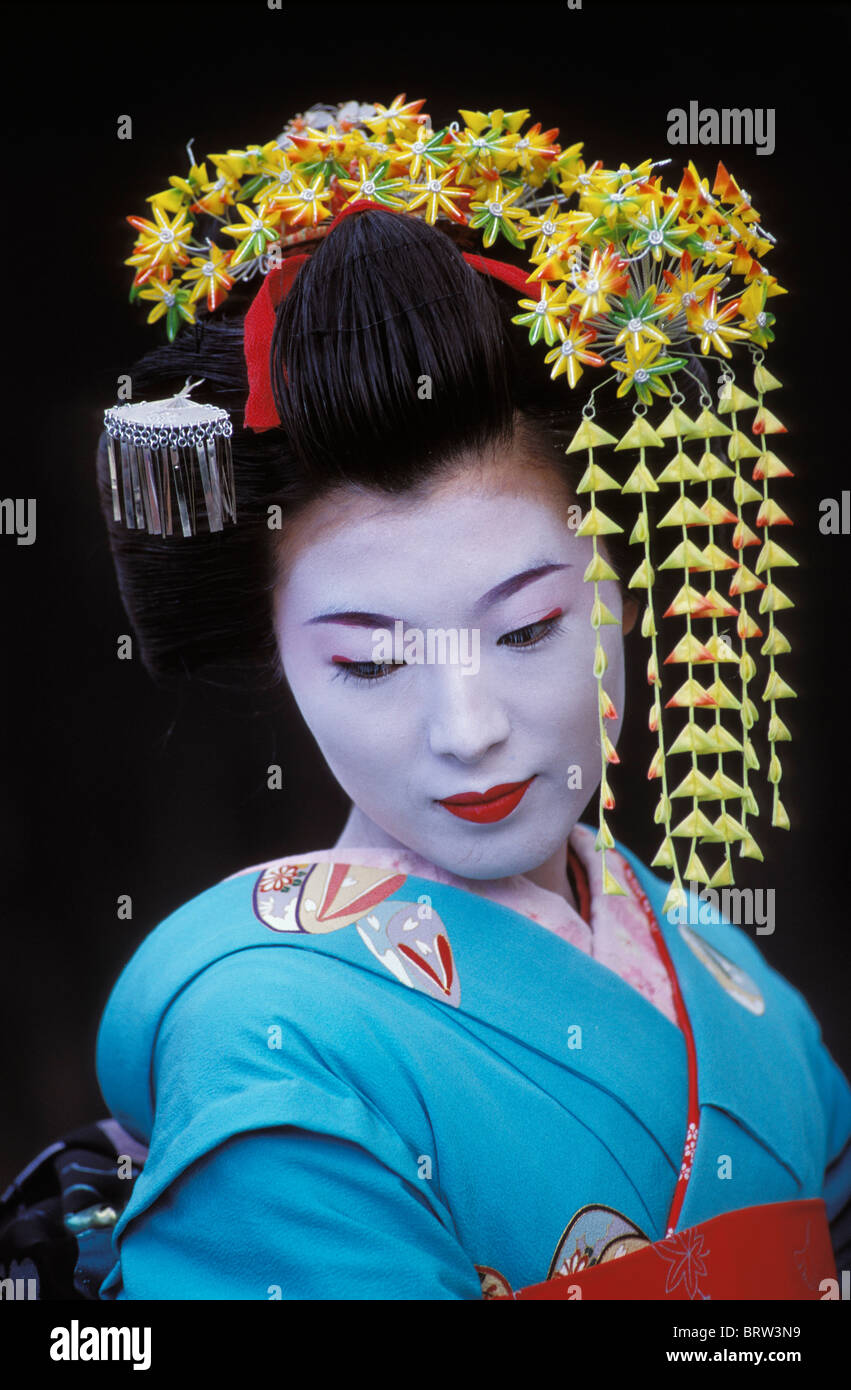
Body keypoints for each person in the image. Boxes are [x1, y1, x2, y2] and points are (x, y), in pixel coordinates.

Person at [3, 100, 849, 1301]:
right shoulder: (270, 1043)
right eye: (366, 660)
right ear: (276, 652)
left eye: (527, 627)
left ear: (628, 585)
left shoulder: (714, 965)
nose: (468, 729)